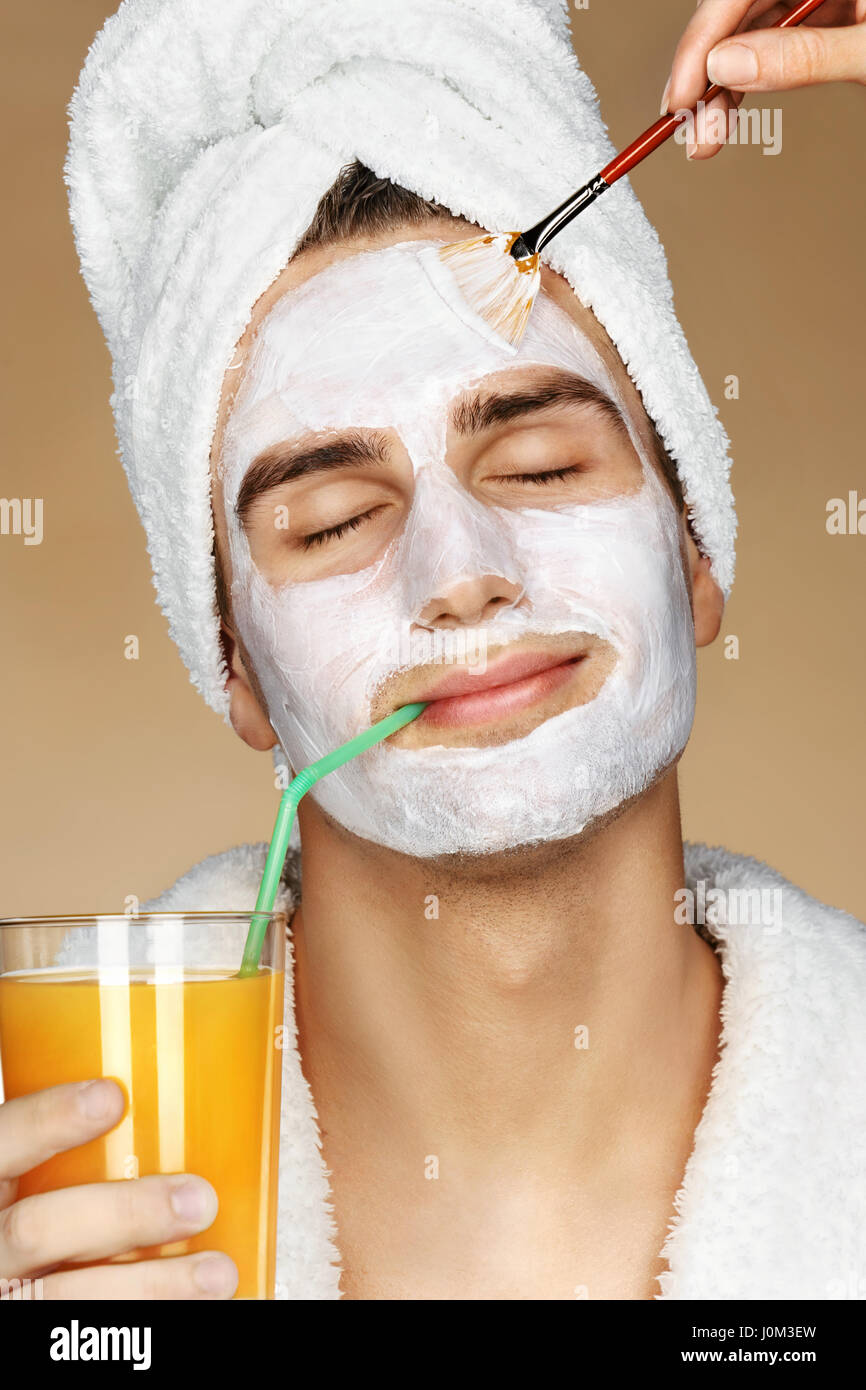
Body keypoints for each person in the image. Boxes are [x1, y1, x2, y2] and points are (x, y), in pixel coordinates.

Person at [1, 0, 864, 1302]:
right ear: (229, 660)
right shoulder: (61, 1171)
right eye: (336, 518)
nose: (459, 573)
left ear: (694, 547)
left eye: (536, 460)